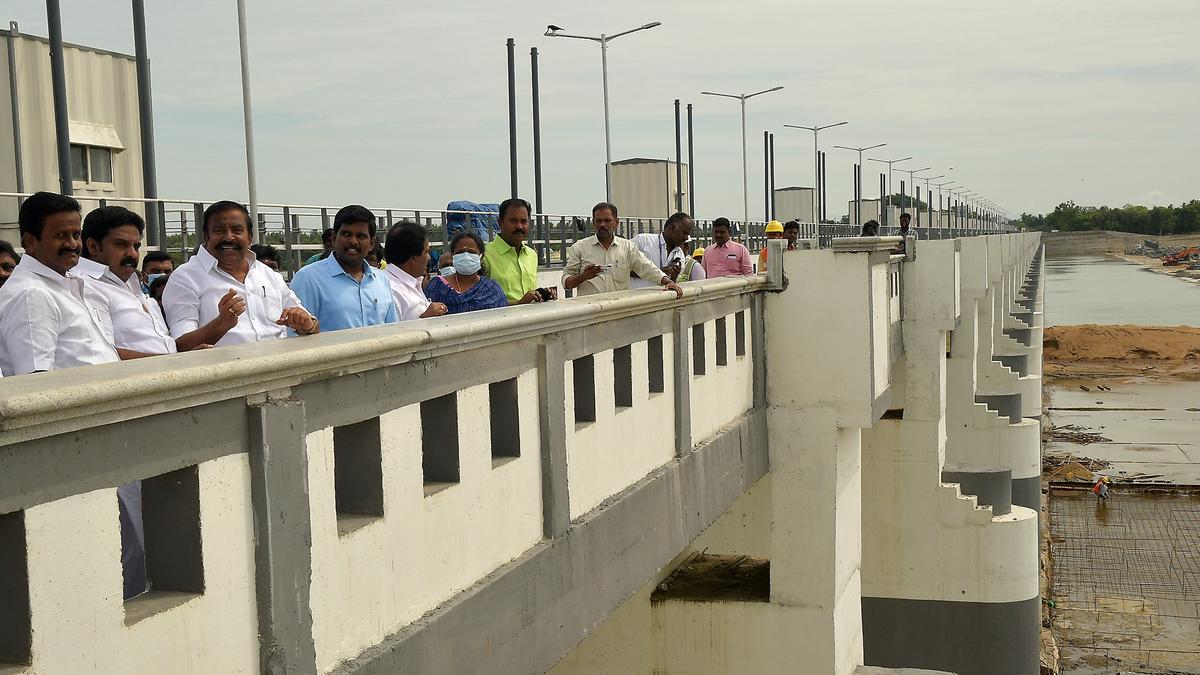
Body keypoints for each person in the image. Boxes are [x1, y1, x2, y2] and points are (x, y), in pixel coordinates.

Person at [163, 200, 318, 349]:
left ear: (250, 237)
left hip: (278, 370)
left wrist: (306, 325)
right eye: (219, 231)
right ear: (206, 236)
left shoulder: (268, 274)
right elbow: (181, 346)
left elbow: (310, 324)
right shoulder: (185, 278)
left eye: (237, 230)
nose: (229, 237)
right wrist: (221, 324)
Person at [0, 192, 117, 376]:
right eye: (61, 235)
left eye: (76, 235)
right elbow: (36, 380)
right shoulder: (31, 294)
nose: (72, 244)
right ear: (31, 242)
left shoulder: (67, 283)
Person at [76, 206, 178, 358]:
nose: (132, 254)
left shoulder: (130, 282)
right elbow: (103, 353)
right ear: (93, 246)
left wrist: (187, 356)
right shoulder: (83, 285)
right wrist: (172, 363)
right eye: (121, 245)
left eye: (136, 246)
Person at [290, 205, 397, 331]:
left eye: (361, 236)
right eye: (346, 234)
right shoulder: (308, 278)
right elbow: (296, 336)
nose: (353, 241)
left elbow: (392, 330)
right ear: (334, 239)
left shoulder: (381, 279)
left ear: (372, 243)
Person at [561, 202, 684, 298]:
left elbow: (646, 267)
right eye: (598, 221)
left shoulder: (627, 247)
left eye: (607, 220)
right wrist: (584, 276)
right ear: (593, 223)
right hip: (590, 313)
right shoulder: (579, 248)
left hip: (618, 312)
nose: (602, 225)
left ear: (616, 222)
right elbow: (566, 283)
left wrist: (668, 282)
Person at [484, 197, 555, 304]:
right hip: (499, 319)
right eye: (513, 221)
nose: (519, 226)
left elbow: (529, 295)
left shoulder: (531, 255)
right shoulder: (484, 255)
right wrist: (519, 303)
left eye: (523, 221)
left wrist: (541, 295)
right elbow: (480, 301)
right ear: (500, 223)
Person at [425, 231, 509, 314]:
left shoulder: (492, 289)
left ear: (481, 256)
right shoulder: (437, 286)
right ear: (453, 256)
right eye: (460, 252)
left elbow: (503, 317)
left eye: (471, 252)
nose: (466, 256)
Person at [383, 220, 448, 320]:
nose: (429, 257)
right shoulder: (390, 289)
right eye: (426, 252)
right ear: (413, 257)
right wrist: (425, 317)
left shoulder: (412, 282)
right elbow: (391, 331)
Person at [631, 211, 704, 287]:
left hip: (663, 297)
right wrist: (658, 274)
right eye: (684, 233)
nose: (686, 238)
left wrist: (674, 276)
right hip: (637, 297)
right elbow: (623, 269)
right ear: (672, 228)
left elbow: (673, 283)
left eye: (688, 234)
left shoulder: (680, 254)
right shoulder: (643, 241)